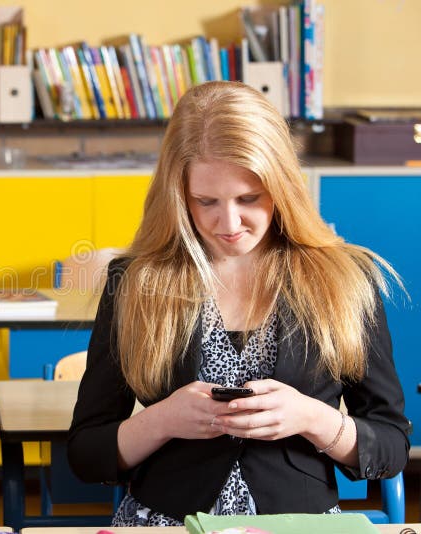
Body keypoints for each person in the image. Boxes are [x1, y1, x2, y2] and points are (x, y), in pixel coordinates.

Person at [67, 81, 410, 526]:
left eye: (249, 199)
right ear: (178, 195)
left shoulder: (345, 281)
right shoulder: (135, 282)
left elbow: (391, 446)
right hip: (164, 520)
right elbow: (85, 454)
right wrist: (163, 421)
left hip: (297, 524)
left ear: (281, 186)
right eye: (205, 201)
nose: (228, 224)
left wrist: (311, 417)